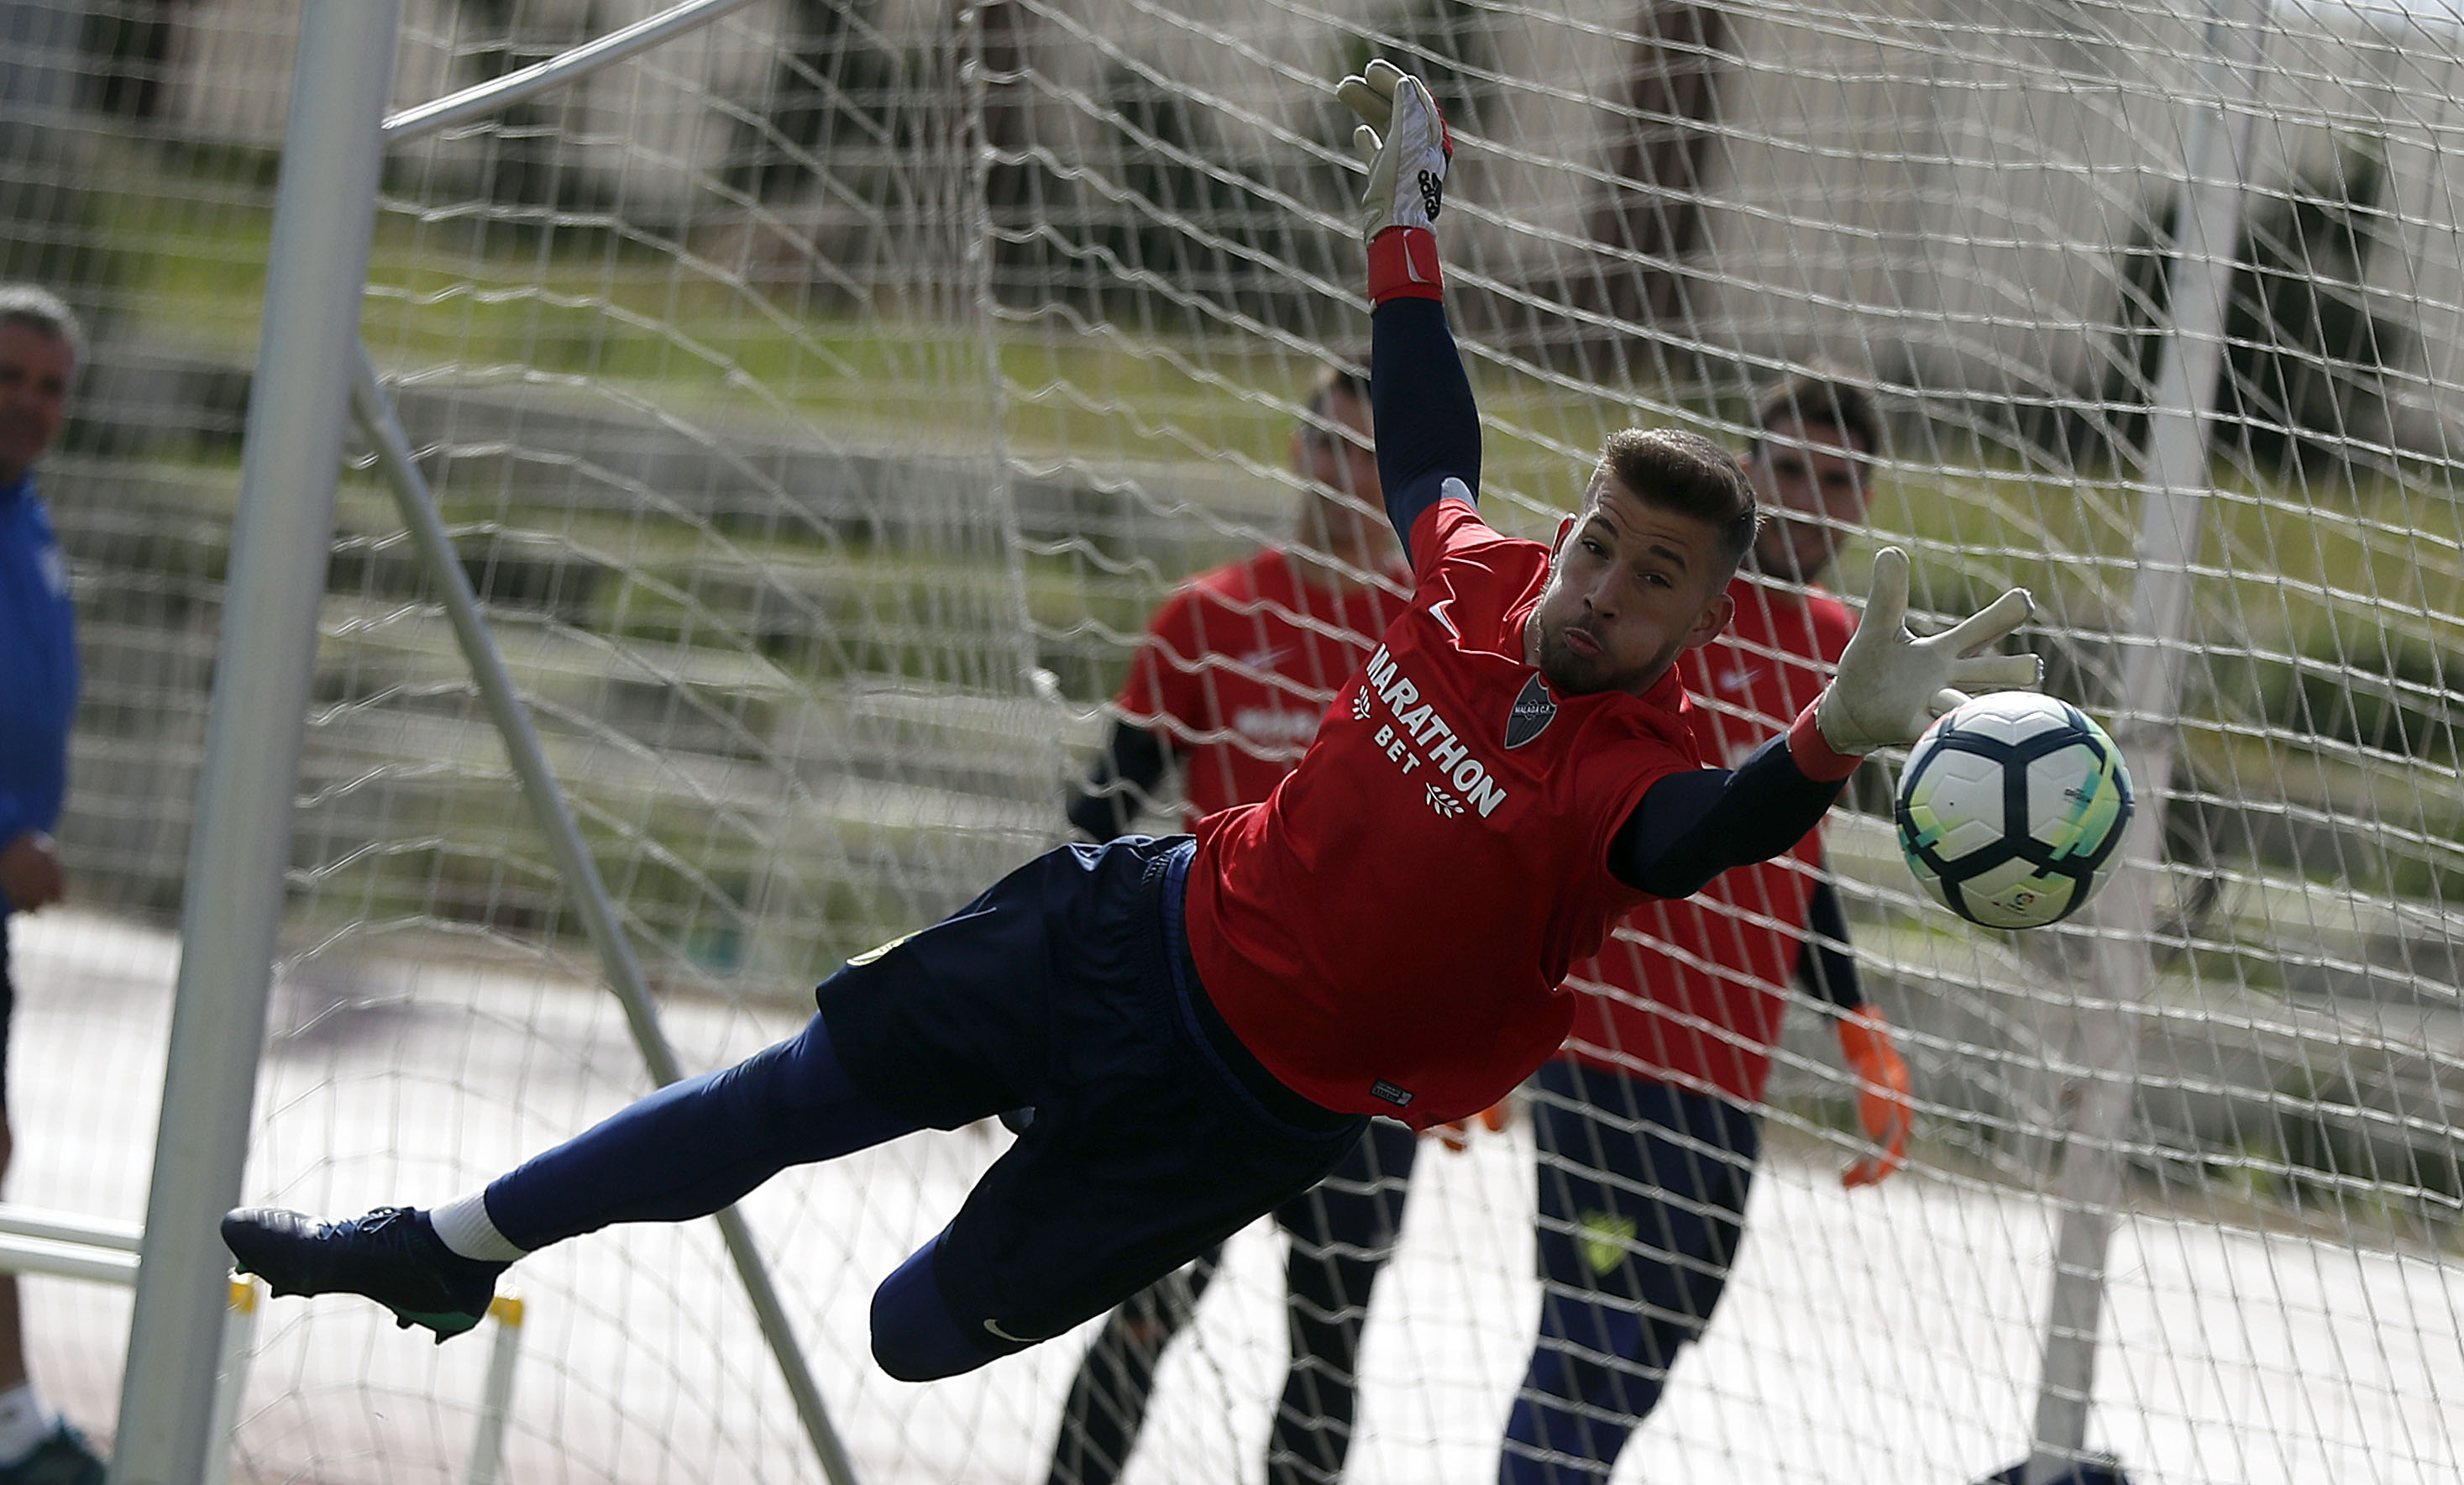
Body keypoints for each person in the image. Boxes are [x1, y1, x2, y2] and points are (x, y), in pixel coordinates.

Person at [218, 61, 2034, 1398]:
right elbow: (1426, 440)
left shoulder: (1640, 771)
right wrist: (1409, 238)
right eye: (1599, 544)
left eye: (1655, 581)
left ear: (1708, 621)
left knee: (908, 1336)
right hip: (1130, 923)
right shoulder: (1478, 585)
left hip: (1241, 1113)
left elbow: (1693, 843)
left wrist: (1826, 745)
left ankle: (1049, 1156)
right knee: (788, 1095)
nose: (1605, 587)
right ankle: (446, 1248)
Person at [1496, 373, 1911, 1485]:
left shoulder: (1849, 652)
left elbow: (1793, 856)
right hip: (1600, 1044)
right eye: (1787, 470)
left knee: (1661, 1334)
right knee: (1582, 1339)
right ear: (1750, 475)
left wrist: (1854, 1018)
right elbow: (1547, 795)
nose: (1810, 498)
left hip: (1727, 1072)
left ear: (1864, 501)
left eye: (1836, 480)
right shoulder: (1662, 610)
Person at [1047, 367, 1419, 1485]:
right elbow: (1099, 824)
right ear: (1300, 451)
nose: (1347, 476)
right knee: (1138, 1313)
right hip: (1204, 1033)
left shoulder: (1429, 641)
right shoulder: (1208, 618)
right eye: (1331, 446)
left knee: (1328, 1333)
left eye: (1371, 454)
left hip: (1365, 1055)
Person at [0, 285, 107, 1485]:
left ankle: (14, 1426)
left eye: (51, 386)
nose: (30, 404)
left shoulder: (28, 521)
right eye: (8, 378)